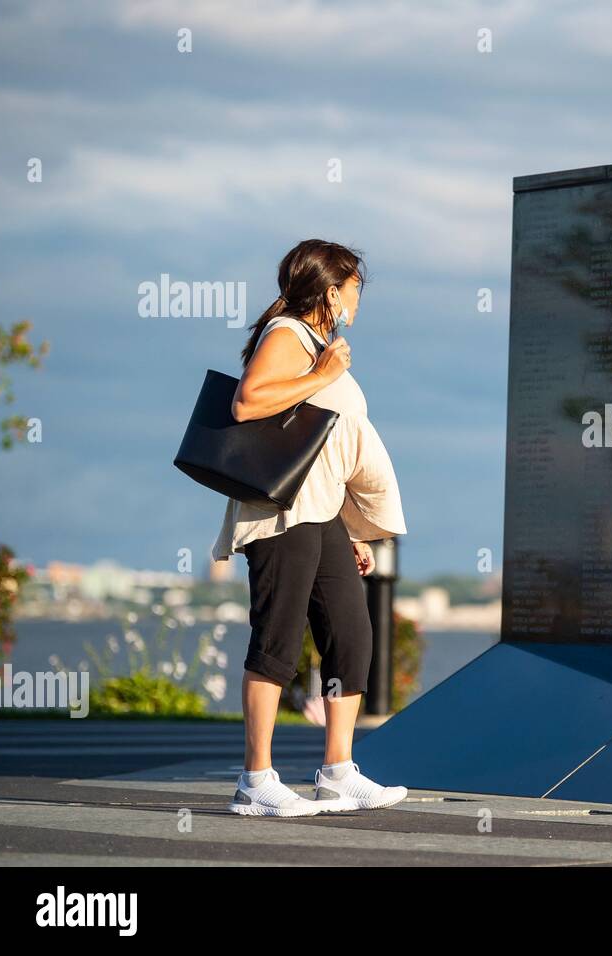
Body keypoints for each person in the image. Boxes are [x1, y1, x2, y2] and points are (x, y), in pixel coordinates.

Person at [211, 239, 409, 816]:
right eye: (354, 287)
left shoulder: (318, 344)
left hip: (320, 515)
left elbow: (323, 449)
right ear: (332, 290)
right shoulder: (289, 336)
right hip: (279, 513)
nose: (357, 297)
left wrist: (348, 530)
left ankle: (338, 770)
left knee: (352, 637)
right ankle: (255, 781)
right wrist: (322, 371)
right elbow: (248, 403)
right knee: (276, 641)